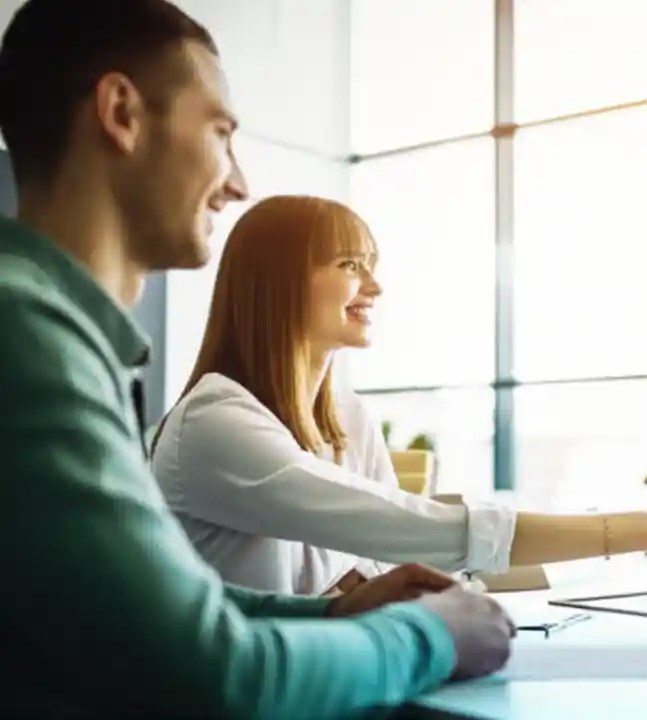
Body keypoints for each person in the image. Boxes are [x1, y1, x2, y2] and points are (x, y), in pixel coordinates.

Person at [0, 1, 515, 715]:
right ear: (121, 112)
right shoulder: (25, 334)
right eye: (220, 132)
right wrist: (427, 635)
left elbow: (157, 607)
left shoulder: (51, 334)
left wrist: (333, 616)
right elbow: (218, 677)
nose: (238, 182)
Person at [150, 194, 647, 595]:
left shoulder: (346, 417)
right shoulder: (215, 426)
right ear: (279, 283)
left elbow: (368, 572)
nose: (375, 286)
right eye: (349, 265)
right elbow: (408, 530)